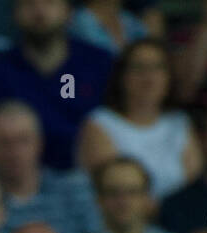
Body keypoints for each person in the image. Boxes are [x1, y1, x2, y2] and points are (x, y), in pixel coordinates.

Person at [0, 0, 113, 172]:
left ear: (69, 12)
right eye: (29, 4)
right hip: (18, 176)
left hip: (89, 172)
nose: (39, 11)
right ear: (14, 14)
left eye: (50, 3)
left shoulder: (98, 63)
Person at [75, 38, 199, 202]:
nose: (148, 77)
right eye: (139, 68)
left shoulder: (179, 123)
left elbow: (195, 187)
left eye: (157, 68)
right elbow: (113, 191)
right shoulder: (100, 123)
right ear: (122, 77)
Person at [0, 100, 100, 233]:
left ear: (39, 143)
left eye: (23, 140)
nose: (15, 152)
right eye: (5, 142)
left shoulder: (75, 190)